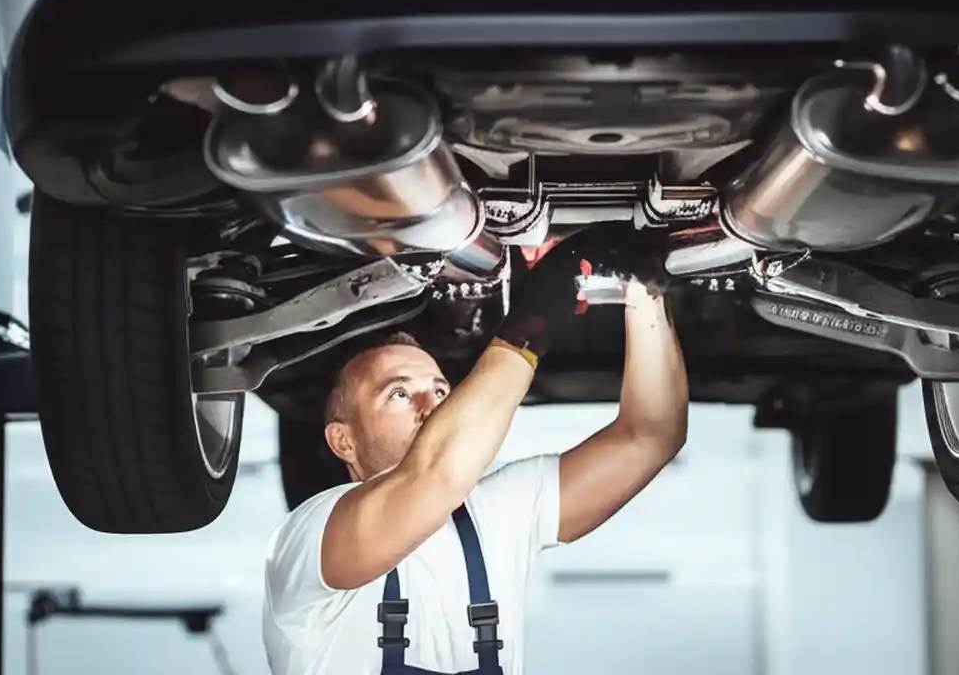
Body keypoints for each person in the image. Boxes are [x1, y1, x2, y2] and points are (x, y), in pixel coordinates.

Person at [261, 227, 690, 675]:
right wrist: (531, 324)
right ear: (342, 440)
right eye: (399, 395)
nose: (430, 407)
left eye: (441, 391)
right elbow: (434, 476)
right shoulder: (308, 538)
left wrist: (645, 295)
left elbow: (650, 435)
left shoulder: (495, 512)